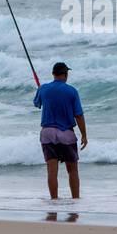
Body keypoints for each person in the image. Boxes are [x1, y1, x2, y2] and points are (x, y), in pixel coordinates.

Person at [33, 61, 87, 199]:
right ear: (65, 74)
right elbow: (78, 115)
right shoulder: (72, 91)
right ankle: (75, 200)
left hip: (47, 133)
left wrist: (40, 89)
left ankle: (54, 201)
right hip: (66, 134)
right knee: (72, 170)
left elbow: (37, 103)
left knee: (52, 172)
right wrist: (84, 135)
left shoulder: (43, 88)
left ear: (53, 74)